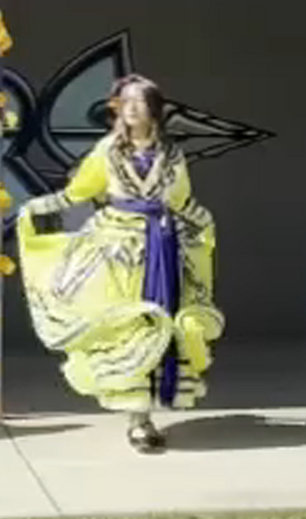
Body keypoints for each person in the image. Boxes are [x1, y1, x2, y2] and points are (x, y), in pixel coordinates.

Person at [15, 74, 222, 453]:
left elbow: (181, 200)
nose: (130, 109)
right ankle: (137, 419)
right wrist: (34, 208)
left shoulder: (172, 154)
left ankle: (150, 408)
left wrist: (205, 222)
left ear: (154, 110)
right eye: (124, 102)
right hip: (116, 250)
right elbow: (77, 193)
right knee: (124, 329)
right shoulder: (107, 151)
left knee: (162, 324)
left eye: (138, 102)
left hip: (161, 246)